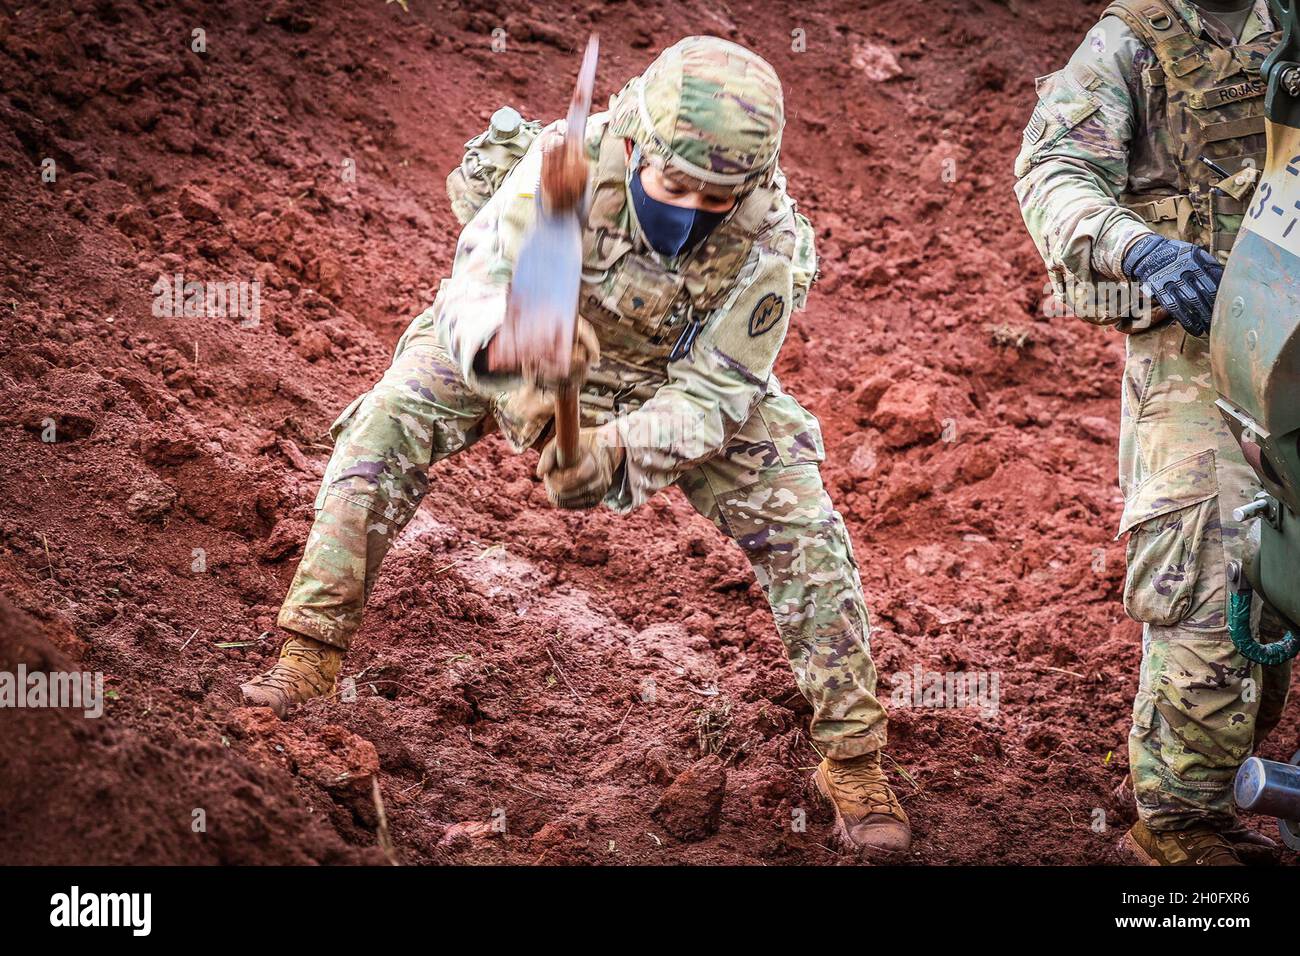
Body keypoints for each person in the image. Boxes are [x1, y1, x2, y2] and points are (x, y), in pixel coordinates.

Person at [240, 36, 912, 859]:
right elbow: (476, 281)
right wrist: (510, 354)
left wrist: (614, 455)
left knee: (803, 520)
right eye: (674, 185)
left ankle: (851, 761)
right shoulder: (566, 163)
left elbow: (717, 392)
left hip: (667, 383)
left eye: (717, 197)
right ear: (634, 145)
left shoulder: (767, 239)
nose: (693, 209)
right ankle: (310, 654)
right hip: (525, 338)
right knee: (387, 423)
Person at [1015, 0, 1290, 865]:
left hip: (1298, 337)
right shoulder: (1131, 41)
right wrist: (1136, 248)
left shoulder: (1288, 23)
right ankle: (1178, 831)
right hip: (1196, 350)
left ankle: (1239, 782)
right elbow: (1051, 167)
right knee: (1214, 565)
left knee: (1284, 578)